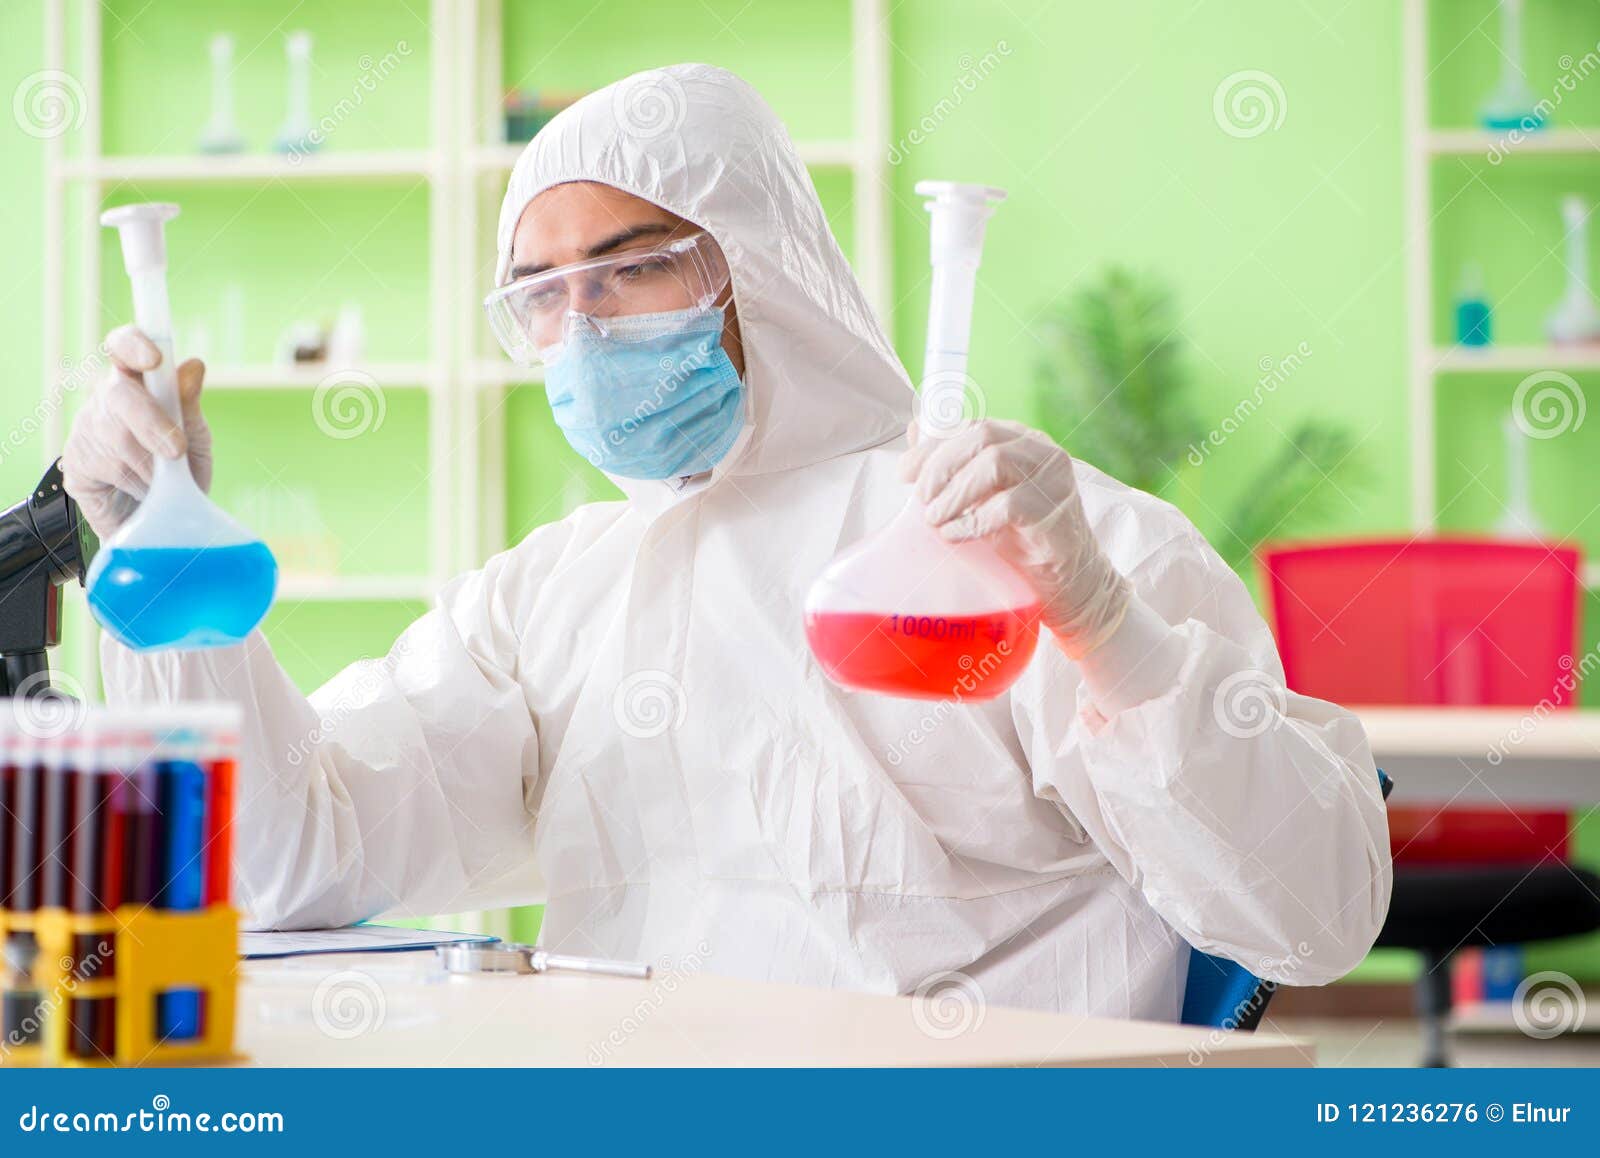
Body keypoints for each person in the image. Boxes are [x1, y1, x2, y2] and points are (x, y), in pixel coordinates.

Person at [60, 64, 1390, 1021]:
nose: (578, 331)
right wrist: (166, 588)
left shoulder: (1034, 541)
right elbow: (291, 861)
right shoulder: (558, 590)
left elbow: (1313, 915)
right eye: (540, 294)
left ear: (759, 264)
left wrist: (1104, 624)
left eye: (632, 268)